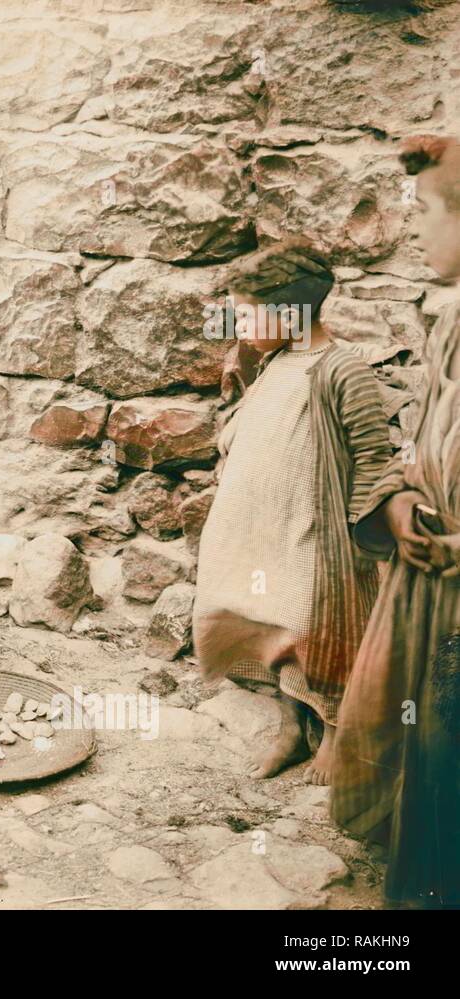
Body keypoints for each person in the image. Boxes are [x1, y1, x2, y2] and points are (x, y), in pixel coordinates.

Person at [193, 240, 393, 784]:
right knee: (267, 624)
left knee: (317, 629)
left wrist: (358, 536)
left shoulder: (342, 370)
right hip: (264, 530)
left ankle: (333, 730)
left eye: (246, 315)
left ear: (289, 312)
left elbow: (374, 455)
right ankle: (290, 728)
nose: (239, 328)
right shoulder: (278, 361)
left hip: (316, 534)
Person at [332, 134, 460, 908]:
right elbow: (423, 440)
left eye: (426, 212)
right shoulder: (448, 326)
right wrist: (404, 496)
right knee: (439, 757)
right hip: (440, 591)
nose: (410, 231)